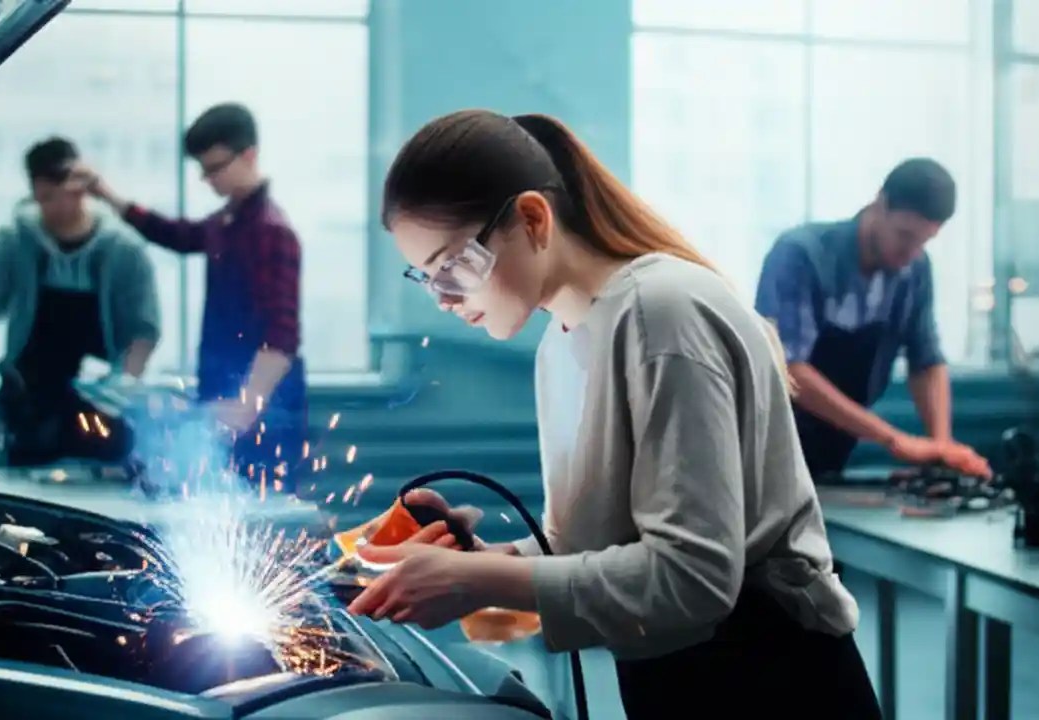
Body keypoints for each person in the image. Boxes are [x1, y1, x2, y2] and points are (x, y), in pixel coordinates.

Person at [345, 110, 881, 719]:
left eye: (456, 266)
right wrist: (473, 562)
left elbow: (693, 578)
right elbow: (595, 550)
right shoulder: (562, 342)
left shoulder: (662, 311)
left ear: (531, 218)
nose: (444, 299)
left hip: (770, 682)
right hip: (675, 682)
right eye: (428, 277)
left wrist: (476, 582)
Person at [74, 103, 306, 487]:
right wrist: (106, 194)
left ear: (249, 155)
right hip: (223, 393)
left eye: (215, 167)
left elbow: (281, 333)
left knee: (263, 514)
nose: (207, 178)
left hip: (262, 406)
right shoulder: (227, 224)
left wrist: (250, 400)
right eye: (203, 169)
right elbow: (175, 235)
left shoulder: (272, 231)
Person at [0, 137, 160, 466]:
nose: (50, 207)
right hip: (29, 397)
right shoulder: (15, 241)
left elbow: (142, 332)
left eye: (56, 195)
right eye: (42, 198)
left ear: (79, 188)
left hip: (100, 401)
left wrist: (119, 391)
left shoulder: (124, 250)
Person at [754, 158, 991, 481]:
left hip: (836, 443)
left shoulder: (915, 270)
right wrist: (894, 440)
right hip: (770, 441)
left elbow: (926, 361)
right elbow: (788, 368)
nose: (912, 251)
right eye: (905, 235)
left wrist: (941, 449)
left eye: (924, 241)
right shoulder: (801, 254)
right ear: (880, 203)